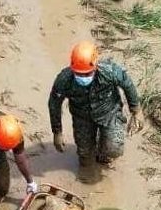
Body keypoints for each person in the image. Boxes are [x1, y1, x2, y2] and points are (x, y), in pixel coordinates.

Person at [49, 40, 142, 168]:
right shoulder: (64, 80)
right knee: (85, 157)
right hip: (82, 118)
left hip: (109, 113)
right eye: (79, 74)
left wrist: (135, 111)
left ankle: (103, 153)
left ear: (95, 66)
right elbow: (54, 103)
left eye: (87, 73)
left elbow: (127, 84)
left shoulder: (109, 71)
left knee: (113, 148)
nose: (83, 77)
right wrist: (57, 132)